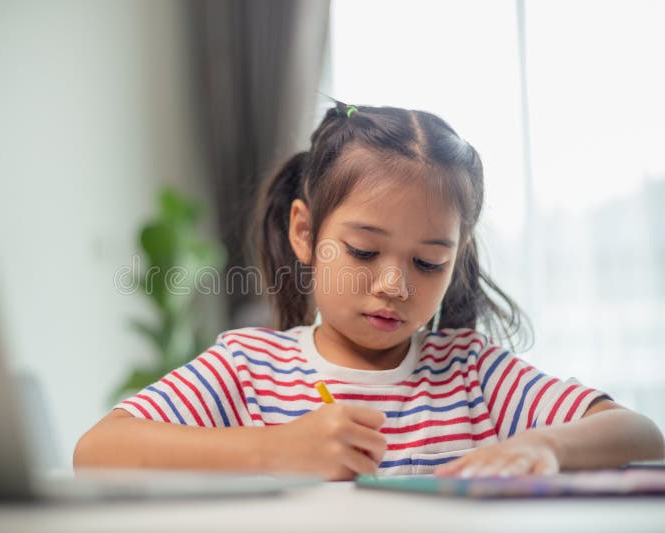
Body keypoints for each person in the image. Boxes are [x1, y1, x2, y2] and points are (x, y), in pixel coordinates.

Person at [74, 103, 664, 480]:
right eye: (363, 251)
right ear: (305, 232)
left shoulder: (471, 375)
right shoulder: (249, 368)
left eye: (430, 261)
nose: (394, 286)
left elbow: (642, 433)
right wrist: (273, 451)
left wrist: (546, 446)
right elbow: (98, 450)